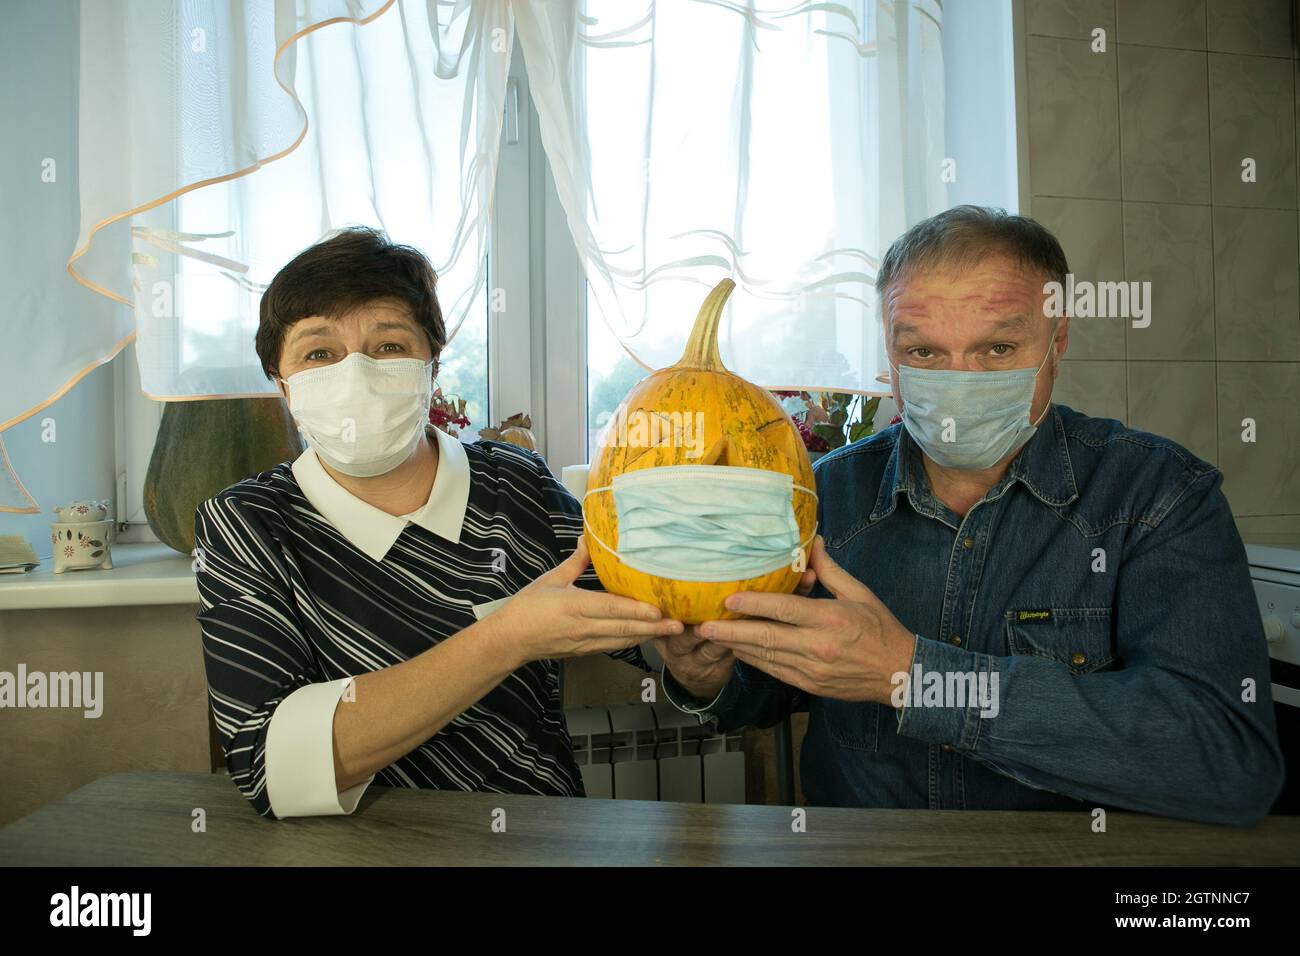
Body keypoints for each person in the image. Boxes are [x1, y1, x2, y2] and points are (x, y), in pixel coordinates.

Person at [656, 205, 1284, 825]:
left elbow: (1227, 764)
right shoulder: (823, 494)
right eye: (924, 353)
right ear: (890, 349)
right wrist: (704, 674)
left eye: (998, 347)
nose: (960, 382)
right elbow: (767, 687)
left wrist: (914, 674)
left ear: (1057, 340)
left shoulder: (1157, 496)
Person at [195, 226, 681, 818]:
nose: (356, 374)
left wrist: (696, 662)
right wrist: (507, 638)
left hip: (537, 838)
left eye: (389, 346)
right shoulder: (247, 523)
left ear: (434, 366)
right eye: (319, 353)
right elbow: (273, 766)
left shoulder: (517, 485)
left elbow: (652, 633)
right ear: (282, 384)